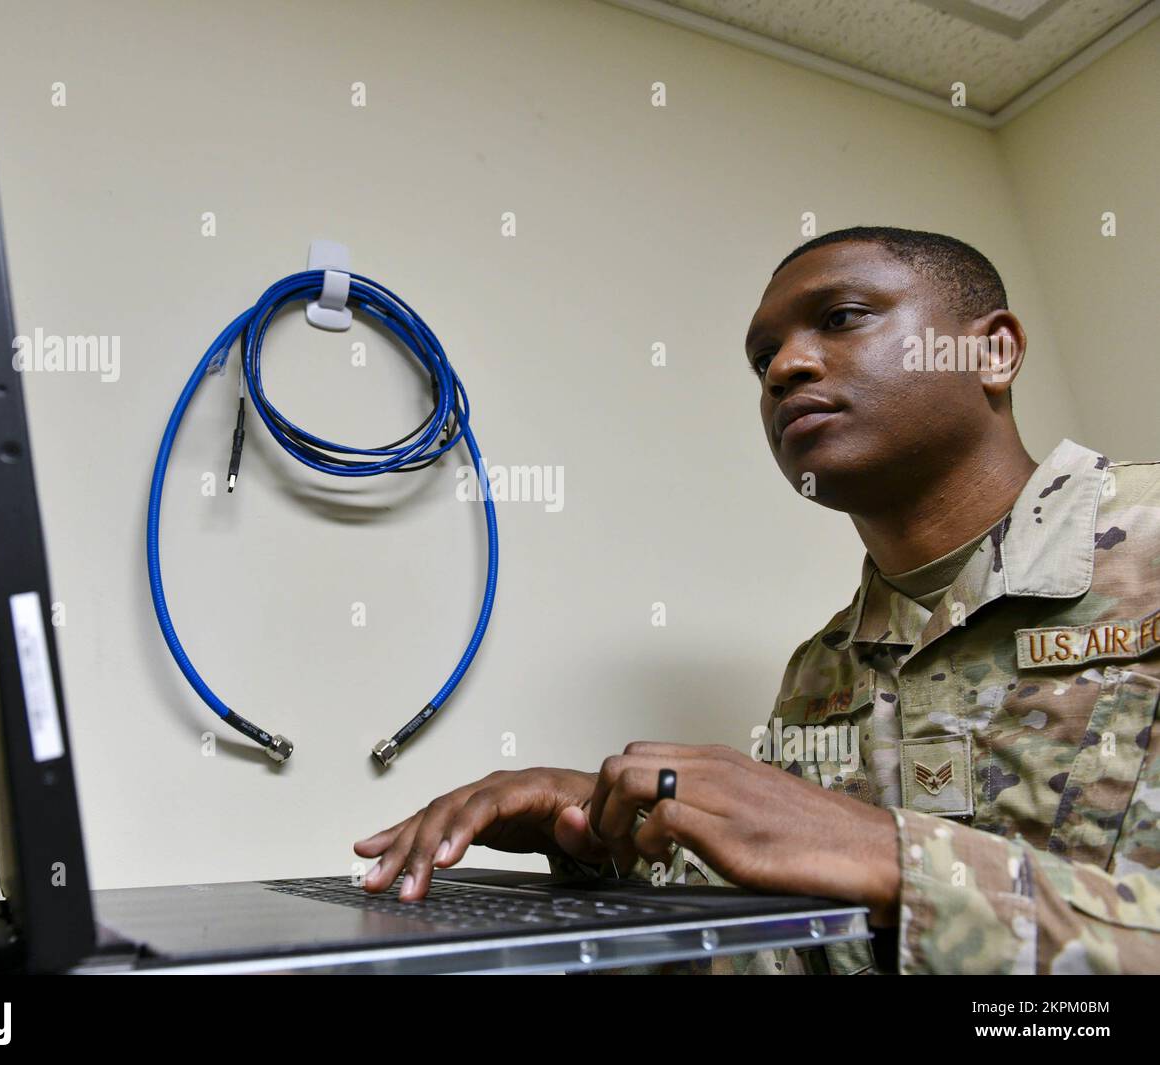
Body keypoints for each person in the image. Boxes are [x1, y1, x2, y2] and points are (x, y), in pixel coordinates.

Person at [353, 226, 1160, 974]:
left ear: (992, 351)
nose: (784, 369)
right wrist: (602, 839)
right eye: (762, 357)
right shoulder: (820, 670)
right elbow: (792, 947)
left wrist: (894, 858)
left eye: (841, 318)